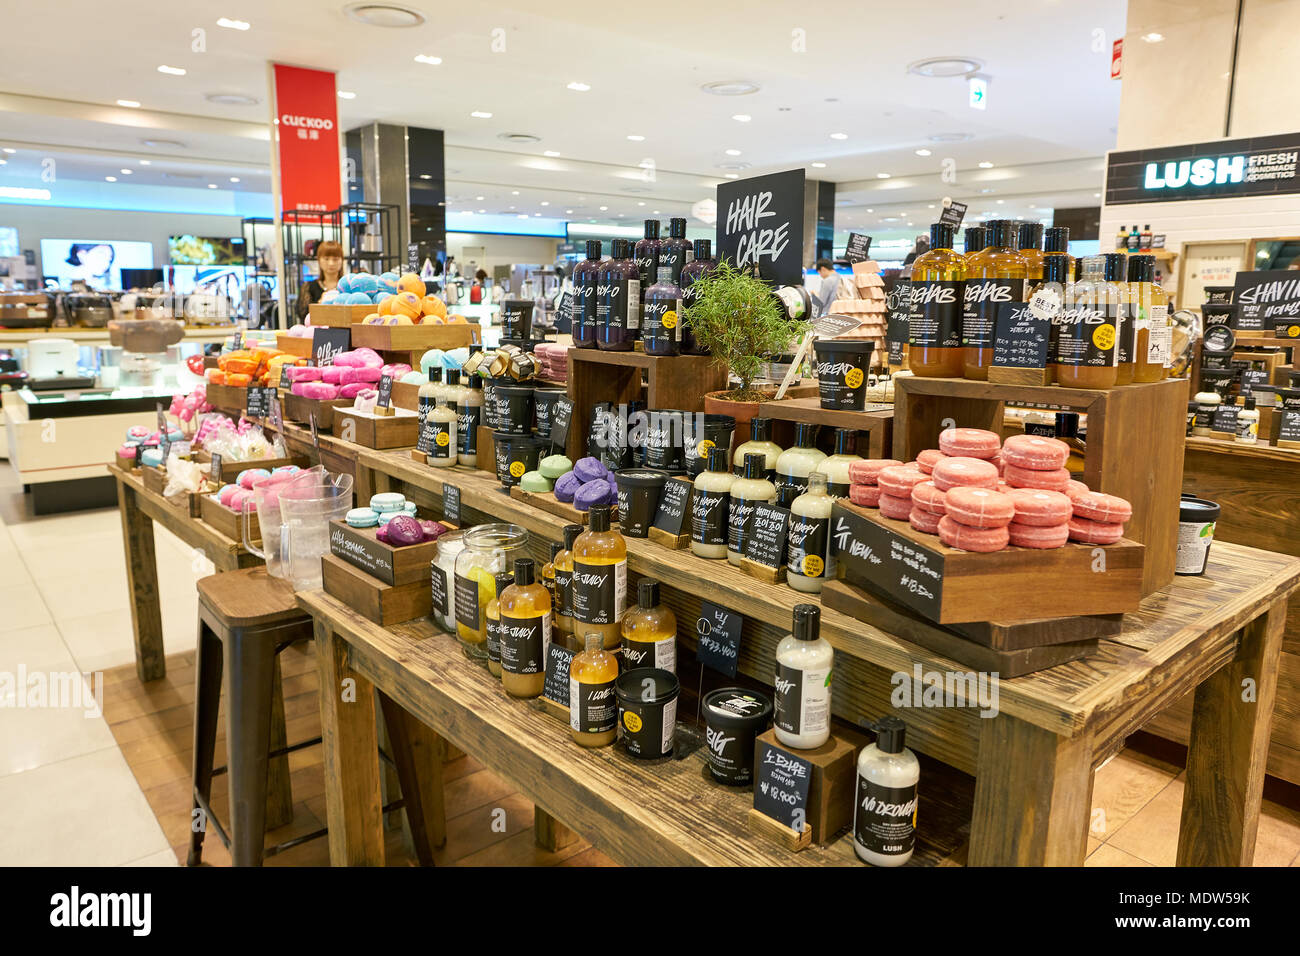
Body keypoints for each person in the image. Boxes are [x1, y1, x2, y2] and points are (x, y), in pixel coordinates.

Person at [295, 240, 344, 321]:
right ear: (319, 260)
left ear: (341, 260)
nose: (331, 263)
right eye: (326, 259)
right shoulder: (308, 287)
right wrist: (319, 305)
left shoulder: (348, 287)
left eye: (335, 259)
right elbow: (302, 315)